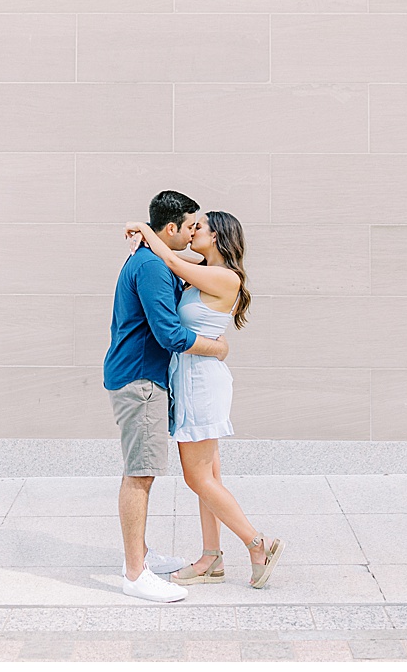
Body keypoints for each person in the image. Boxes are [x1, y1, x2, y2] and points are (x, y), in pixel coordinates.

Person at [125, 209, 284, 590]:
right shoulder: (205, 270)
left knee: (198, 477)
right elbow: (176, 260)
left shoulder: (224, 276)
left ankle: (256, 543)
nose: (193, 231)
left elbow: (170, 260)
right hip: (195, 379)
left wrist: (145, 229)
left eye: (200, 227)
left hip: (201, 383)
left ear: (217, 237)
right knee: (209, 476)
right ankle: (211, 557)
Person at [104, 190, 231, 603]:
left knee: (141, 470)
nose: (196, 232)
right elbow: (170, 335)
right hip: (141, 381)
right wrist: (217, 347)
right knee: (140, 474)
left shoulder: (150, 259)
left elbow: (187, 265)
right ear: (172, 228)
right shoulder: (155, 268)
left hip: (139, 376)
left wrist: (144, 232)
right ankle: (135, 574)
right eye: (191, 225)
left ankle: (139, 554)